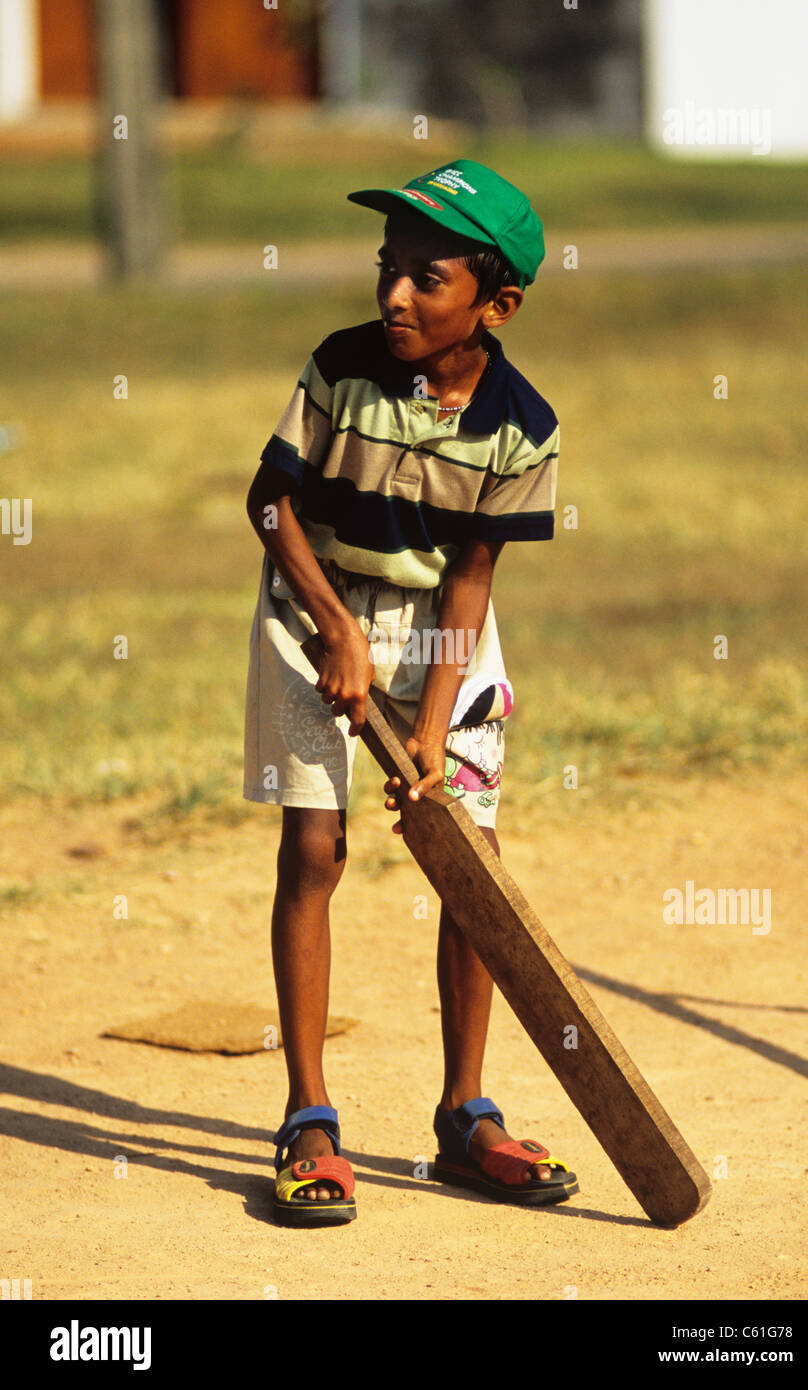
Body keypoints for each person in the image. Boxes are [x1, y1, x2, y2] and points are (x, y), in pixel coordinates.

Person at [244, 159, 578, 1226]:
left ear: (497, 303)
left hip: (446, 637)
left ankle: (466, 1114)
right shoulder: (341, 368)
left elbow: (472, 579)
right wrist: (336, 629)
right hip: (312, 612)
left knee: (467, 862)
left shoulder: (525, 426)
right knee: (315, 848)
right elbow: (267, 506)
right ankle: (308, 1118)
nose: (393, 294)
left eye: (426, 278)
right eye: (389, 268)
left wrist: (432, 726)